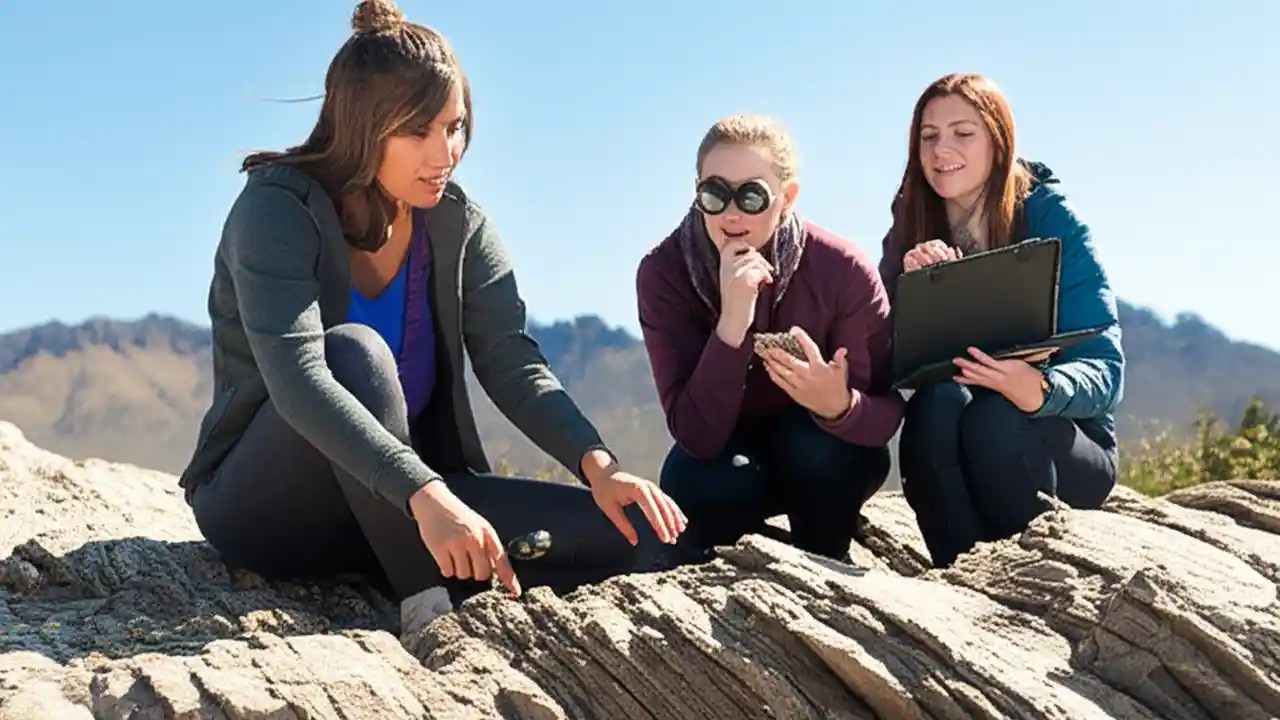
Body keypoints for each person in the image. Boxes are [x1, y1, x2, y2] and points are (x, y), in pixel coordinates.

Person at [178, 0, 686, 631]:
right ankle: (425, 602)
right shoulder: (275, 209)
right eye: (419, 131)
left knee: (637, 538)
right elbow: (299, 380)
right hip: (270, 512)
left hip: (409, 503)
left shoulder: (457, 223)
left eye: (455, 127)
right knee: (354, 355)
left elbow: (511, 361)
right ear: (365, 125)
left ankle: (413, 559)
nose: (445, 152)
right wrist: (430, 496)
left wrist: (600, 467)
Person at [879, 73, 1125, 568]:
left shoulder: (1050, 217)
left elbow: (1105, 365)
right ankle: (961, 576)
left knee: (994, 416)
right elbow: (884, 360)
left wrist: (1041, 387)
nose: (941, 149)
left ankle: (1029, 577)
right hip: (958, 422)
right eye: (929, 136)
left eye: (962, 133)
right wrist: (912, 297)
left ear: (998, 139)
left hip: (1060, 439)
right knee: (934, 406)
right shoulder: (910, 224)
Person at [636, 114, 903, 564]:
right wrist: (732, 323)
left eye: (753, 195)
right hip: (728, 458)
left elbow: (886, 415)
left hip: (824, 449)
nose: (732, 213)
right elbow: (695, 435)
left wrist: (838, 404)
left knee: (817, 452)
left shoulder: (843, 271)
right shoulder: (664, 273)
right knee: (693, 482)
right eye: (714, 193)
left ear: (787, 198)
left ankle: (824, 565)